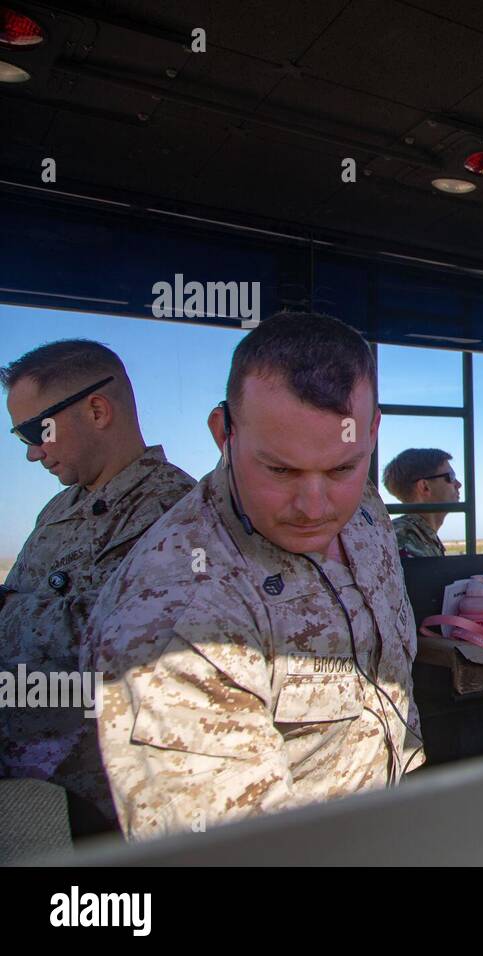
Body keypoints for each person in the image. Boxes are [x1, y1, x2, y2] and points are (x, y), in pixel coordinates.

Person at [85, 312, 424, 840]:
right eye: (280, 470)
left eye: (341, 468)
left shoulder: (366, 511)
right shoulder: (174, 617)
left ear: (373, 431)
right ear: (224, 433)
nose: (315, 506)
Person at [0, 340, 195, 833]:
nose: (30, 452)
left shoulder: (179, 512)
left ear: (96, 409)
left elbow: (126, 641)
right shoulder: (57, 510)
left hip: (93, 799)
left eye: (34, 430)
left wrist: (7, 612)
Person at [381, 448, 461, 558]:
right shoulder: (403, 540)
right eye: (451, 476)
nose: (459, 484)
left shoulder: (419, 535)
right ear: (425, 486)